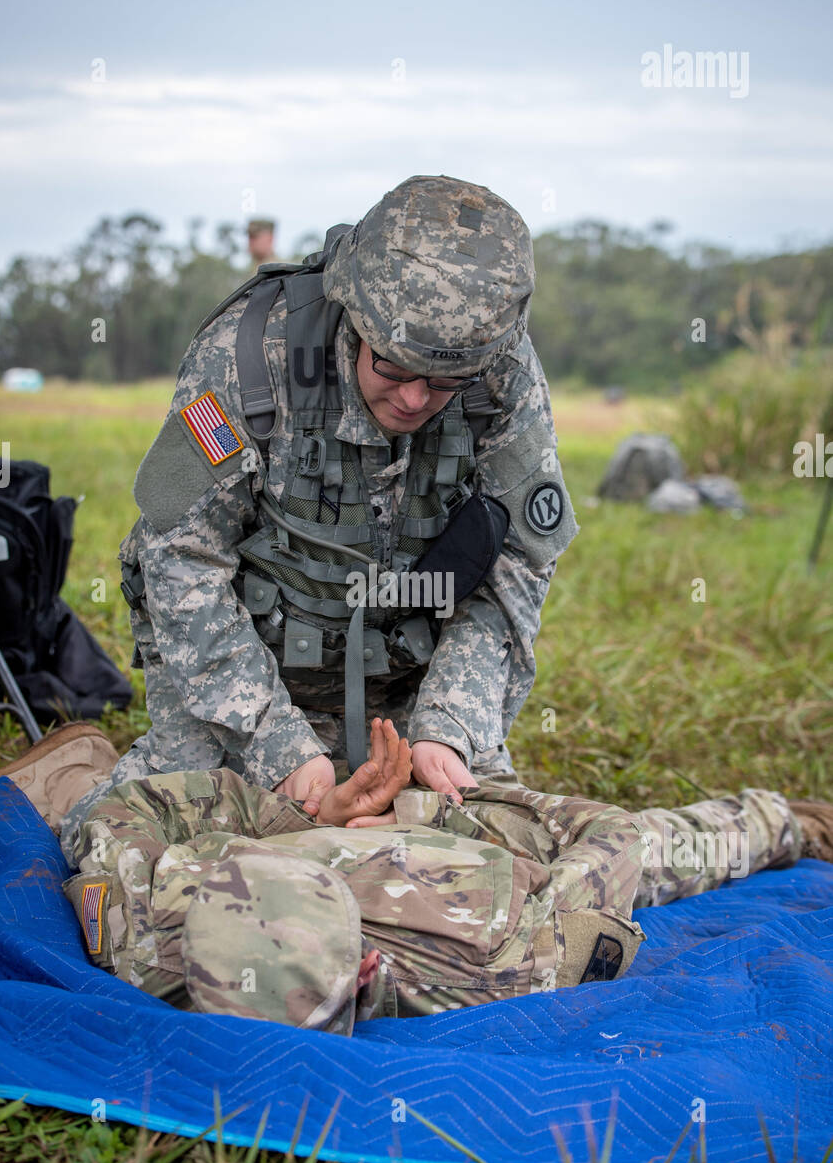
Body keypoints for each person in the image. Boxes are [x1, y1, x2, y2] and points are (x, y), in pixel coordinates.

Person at [56, 175, 579, 858]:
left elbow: (514, 568)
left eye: (444, 382)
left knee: (492, 860)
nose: (416, 398)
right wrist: (278, 749)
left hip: (409, 692)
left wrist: (447, 728)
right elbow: (181, 561)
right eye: (392, 366)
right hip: (243, 679)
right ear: (352, 316)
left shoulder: (499, 374)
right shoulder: (246, 357)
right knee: (141, 847)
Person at [61, 718, 832, 1031]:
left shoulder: (139, 937)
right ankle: (797, 820)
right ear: (366, 968)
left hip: (347, 802)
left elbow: (124, 812)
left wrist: (310, 821)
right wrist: (460, 813)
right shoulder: (497, 964)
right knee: (682, 850)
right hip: (501, 851)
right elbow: (613, 840)